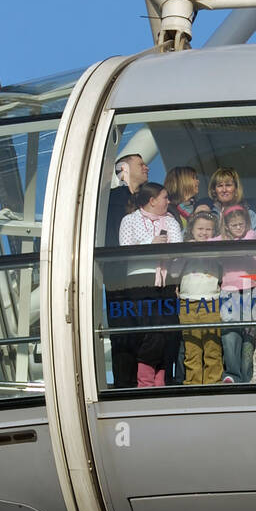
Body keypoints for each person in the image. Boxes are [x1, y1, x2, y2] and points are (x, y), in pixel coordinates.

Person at [118, 182, 183, 387]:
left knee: (168, 330)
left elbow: (178, 248)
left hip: (166, 280)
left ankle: (159, 377)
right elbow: (125, 248)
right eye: (164, 197)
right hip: (140, 280)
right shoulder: (129, 220)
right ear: (152, 200)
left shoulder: (171, 221)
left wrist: (151, 247)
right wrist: (151, 243)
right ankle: (146, 379)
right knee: (152, 330)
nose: (168, 201)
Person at [106, 153, 149, 387]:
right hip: (120, 279)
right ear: (124, 169)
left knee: (147, 334)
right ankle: (126, 385)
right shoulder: (111, 201)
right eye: (140, 164)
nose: (146, 167)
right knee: (124, 335)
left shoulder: (149, 200)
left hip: (142, 278)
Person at [176, 211, 224, 385]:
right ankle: (193, 383)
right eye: (200, 228)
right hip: (187, 301)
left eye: (208, 229)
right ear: (192, 230)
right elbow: (175, 272)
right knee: (192, 347)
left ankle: (213, 382)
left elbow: (225, 268)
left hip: (211, 301)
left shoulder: (217, 249)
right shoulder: (186, 248)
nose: (204, 232)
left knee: (212, 346)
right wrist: (184, 253)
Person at [216, 205, 256, 384]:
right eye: (234, 225)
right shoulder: (221, 239)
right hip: (229, 292)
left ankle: (246, 374)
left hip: (250, 289)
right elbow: (210, 243)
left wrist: (229, 238)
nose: (239, 228)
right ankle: (232, 374)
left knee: (249, 332)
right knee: (230, 333)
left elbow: (247, 241)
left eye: (241, 224)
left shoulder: (250, 235)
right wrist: (224, 235)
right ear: (226, 227)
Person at [210, 167, 256, 231]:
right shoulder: (211, 216)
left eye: (228, 185)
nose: (224, 190)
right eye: (220, 186)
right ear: (214, 190)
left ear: (236, 189)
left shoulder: (249, 215)